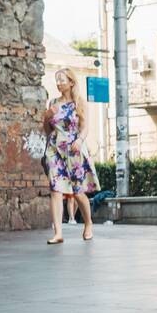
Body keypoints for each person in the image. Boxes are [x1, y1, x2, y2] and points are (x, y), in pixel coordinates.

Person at [44, 67, 98, 245]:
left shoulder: (79, 102)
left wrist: (80, 140)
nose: (59, 83)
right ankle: (58, 232)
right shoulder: (53, 103)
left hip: (74, 148)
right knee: (55, 189)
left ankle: (88, 223)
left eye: (62, 80)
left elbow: (85, 127)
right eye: (57, 80)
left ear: (71, 82)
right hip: (55, 149)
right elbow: (47, 130)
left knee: (78, 191)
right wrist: (46, 117)